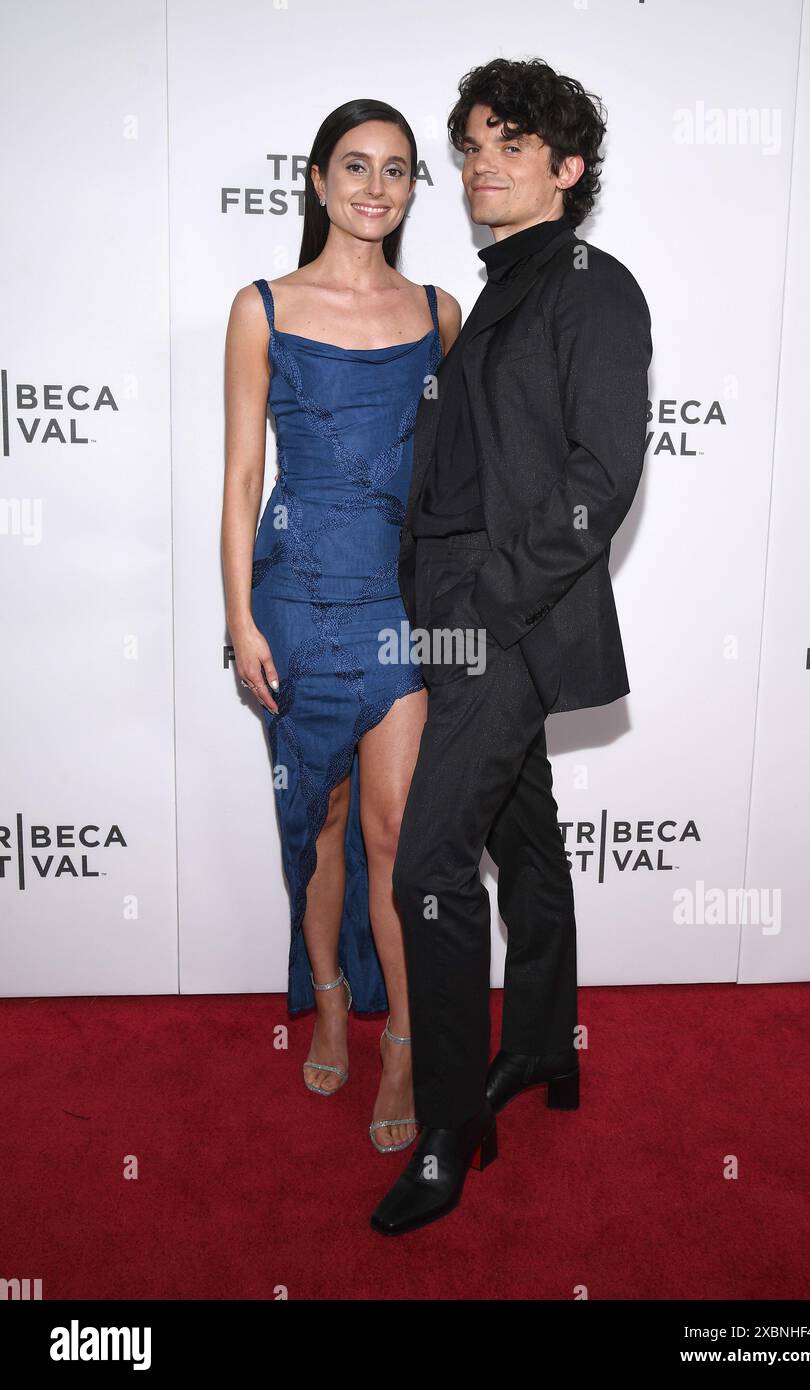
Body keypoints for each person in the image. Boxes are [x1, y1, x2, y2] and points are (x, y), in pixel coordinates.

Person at [371, 58, 653, 1234]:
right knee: (522, 833)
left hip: (503, 616)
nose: (483, 162)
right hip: (455, 607)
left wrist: (489, 599)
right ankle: (540, 1048)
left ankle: (447, 1122)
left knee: (429, 866)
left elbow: (601, 476)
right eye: (473, 144)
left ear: (566, 169)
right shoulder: (496, 285)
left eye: (512, 144)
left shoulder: (591, 286)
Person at [221, 100, 460, 1153]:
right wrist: (238, 617)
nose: (375, 186)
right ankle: (325, 995)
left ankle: (402, 1039)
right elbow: (239, 480)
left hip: (395, 612)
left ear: (413, 189)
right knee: (315, 825)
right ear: (316, 181)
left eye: (397, 170)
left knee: (394, 836)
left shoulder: (440, 313)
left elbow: (457, 480)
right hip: (291, 602)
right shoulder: (261, 306)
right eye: (354, 166)